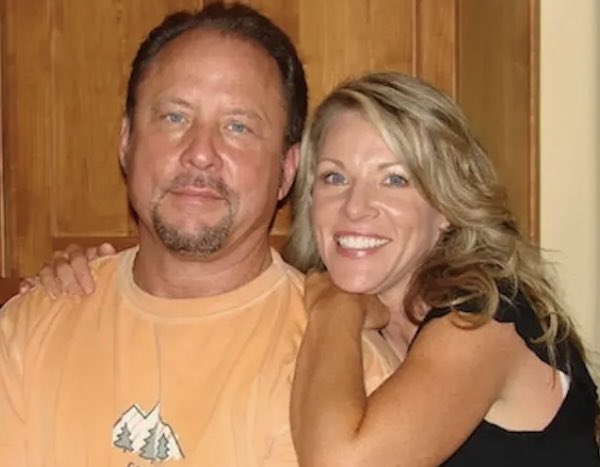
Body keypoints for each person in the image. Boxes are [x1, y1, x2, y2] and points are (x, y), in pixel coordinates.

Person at [35, 72, 600, 466]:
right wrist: (85, 278)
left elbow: (341, 462)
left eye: (395, 179)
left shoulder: (484, 321)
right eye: (334, 177)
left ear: (448, 205)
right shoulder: (341, 315)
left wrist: (335, 307)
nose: (356, 207)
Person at [0, 5, 397, 466]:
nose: (200, 153)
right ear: (126, 141)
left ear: (287, 170)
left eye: (238, 127)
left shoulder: (344, 372)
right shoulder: (29, 328)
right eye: (174, 117)